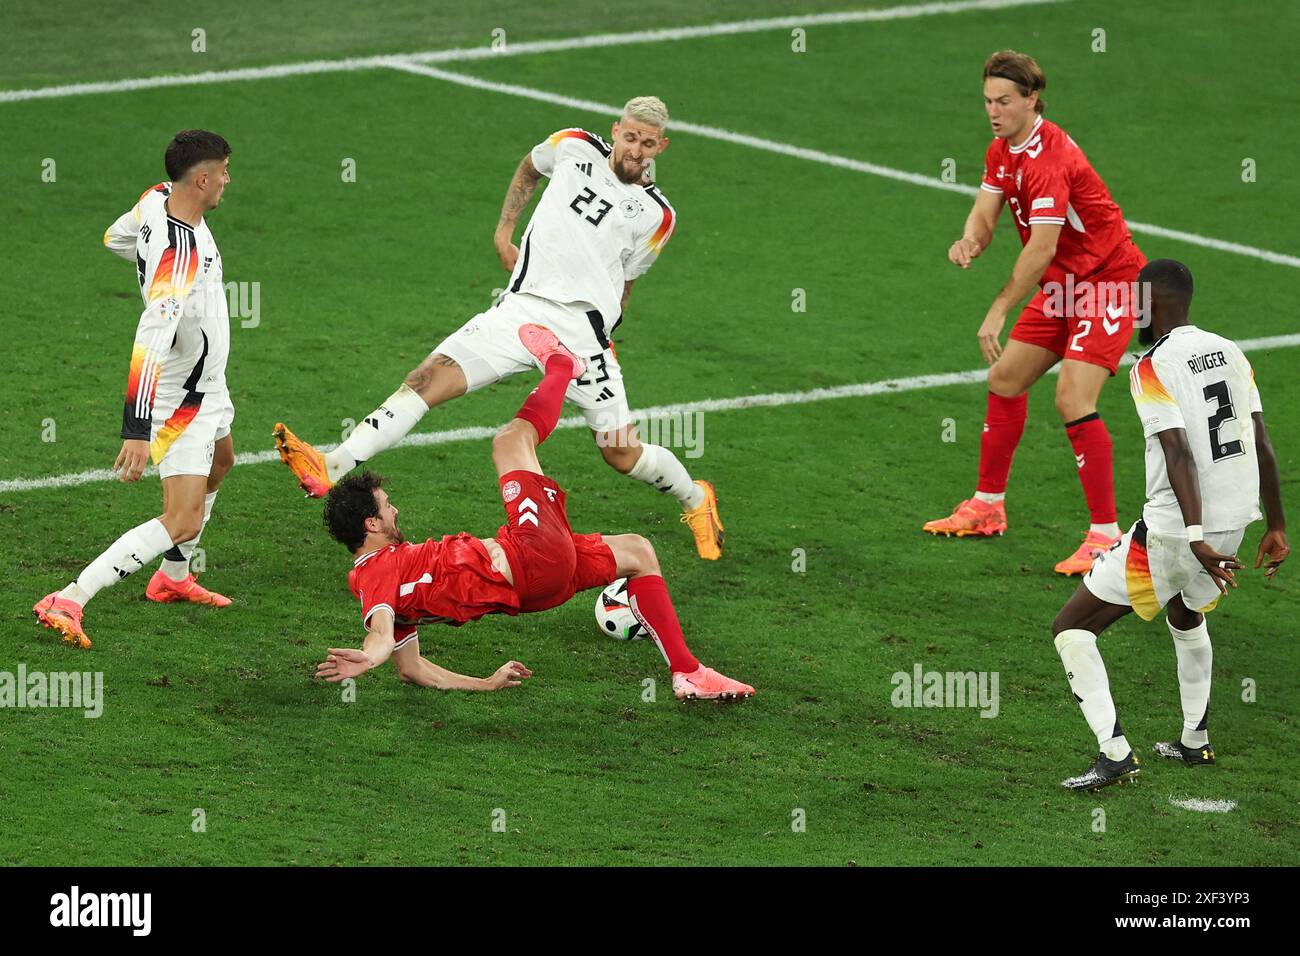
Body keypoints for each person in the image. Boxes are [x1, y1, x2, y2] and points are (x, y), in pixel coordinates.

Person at [276, 95, 727, 560]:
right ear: (615, 130)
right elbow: (530, 167)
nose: (636, 149)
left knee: (620, 454)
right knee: (426, 380)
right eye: (630, 136)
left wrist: (605, 335)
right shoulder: (572, 145)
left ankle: (696, 499)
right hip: (519, 310)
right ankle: (333, 463)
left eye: (647, 143)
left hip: (581, 335)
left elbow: (628, 279)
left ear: (662, 146)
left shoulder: (657, 215)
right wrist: (504, 228)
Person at [316, 323, 754, 701]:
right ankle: (564, 364)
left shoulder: (391, 579)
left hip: (537, 593)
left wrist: (485, 684)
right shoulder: (375, 575)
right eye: (386, 507)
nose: (395, 510)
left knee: (638, 552)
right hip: (530, 557)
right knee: (509, 441)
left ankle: (689, 673)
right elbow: (378, 634)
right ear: (370, 525)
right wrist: (368, 658)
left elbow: (412, 670)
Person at [1050, 259, 1288, 791]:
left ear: (1151, 304)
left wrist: (1194, 536)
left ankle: (1114, 755)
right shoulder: (1231, 350)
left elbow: (1177, 451)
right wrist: (1276, 524)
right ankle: (1194, 741)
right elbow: (1263, 443)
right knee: (1183, 610)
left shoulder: (1152, 366)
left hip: (1180, 530)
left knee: (1071, 628)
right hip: (1237, 520)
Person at [923, 50, 1148, 574]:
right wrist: (970, 240)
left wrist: (999, 308)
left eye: (1004, 101)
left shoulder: (1051, 160)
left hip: (1108, 283)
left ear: (1031, 99)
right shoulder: (1003, 148)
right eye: (987, 101)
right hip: (1065, 285)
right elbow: (986, 208)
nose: (993, 111)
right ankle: (987, 506)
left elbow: (1042, 247)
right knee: (1005, 379)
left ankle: (1106, 536)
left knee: (1073, 398)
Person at [34, 130, 236, 648]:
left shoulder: (156, 197)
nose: (228, 182)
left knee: (221, 462)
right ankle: (70, 597)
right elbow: (151, 336)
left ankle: (172, 579)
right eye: (225, 172)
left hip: (209, 378)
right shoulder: (179, 260)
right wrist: (138, 428)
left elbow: (115, 238)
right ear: (203, 178)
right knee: (183, 518)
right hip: (184, 394)